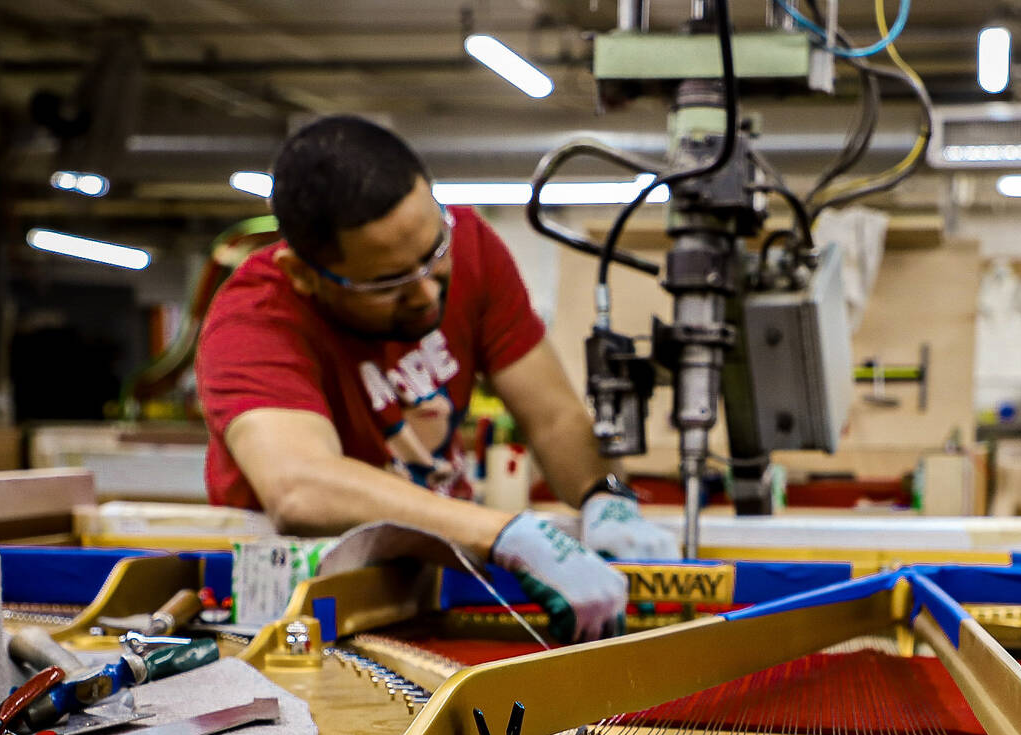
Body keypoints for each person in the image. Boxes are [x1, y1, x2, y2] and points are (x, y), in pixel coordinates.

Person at [196, 115, 678, 643]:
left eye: (433, 254)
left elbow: (553, 415)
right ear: (303, 275)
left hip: (434, 583)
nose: (426, 292)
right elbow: (301, 486)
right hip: (295, 610)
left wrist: (602, 495)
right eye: (389, 282)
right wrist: (503, 534)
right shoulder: (255, 320)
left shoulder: (471, 244)